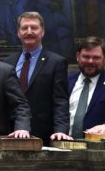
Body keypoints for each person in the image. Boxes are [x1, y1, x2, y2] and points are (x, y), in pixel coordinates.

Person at [4, 11, 70, 144]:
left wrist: (61, 130)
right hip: (9, 132)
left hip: (43, 134)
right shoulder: (7, 63)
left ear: (42, 32)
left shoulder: (56, 62)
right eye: (24, 28)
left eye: (34, 28)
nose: (29, 32)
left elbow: (60, 100)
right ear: (18, 33)